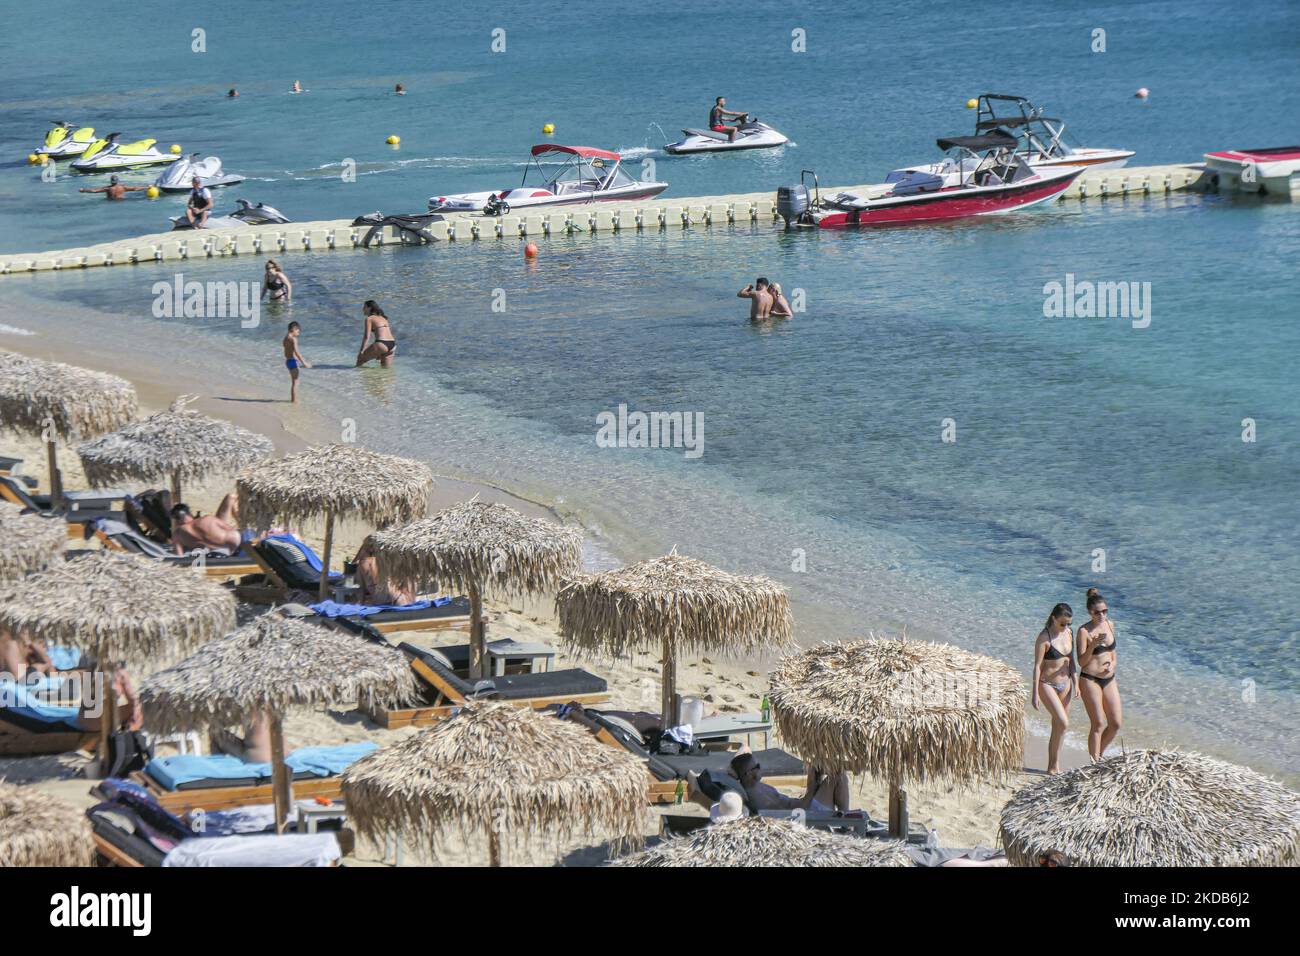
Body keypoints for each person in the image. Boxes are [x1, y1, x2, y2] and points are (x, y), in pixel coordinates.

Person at [1077, 587, 1122, 760]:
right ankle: (1093, 763)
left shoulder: (1110, 625)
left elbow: (1113, 653)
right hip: (1090, 679)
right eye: (1097, 612)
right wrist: (1093, 645)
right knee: (1097, 723)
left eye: (1105, 611)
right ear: (1090, 612)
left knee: (1115, 723)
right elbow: (1081, 662)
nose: (1101, 615)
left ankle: (1099, 756)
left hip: (1109, 678)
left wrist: (1113, 665)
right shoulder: (1084, 631)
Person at [730, 752, 851, 813]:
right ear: (748, 774)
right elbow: (791, 814)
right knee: (838, 776)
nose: (760, 767)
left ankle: (844, 817)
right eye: (757, 766)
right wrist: (811, 789)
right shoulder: (757, 796)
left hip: (803, 805)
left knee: (816, 767)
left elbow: (743, 752)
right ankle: (845, 821)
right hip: (807, 813)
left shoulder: (753, 786)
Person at [1032, 602, 1075, 774]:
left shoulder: (1069, 633)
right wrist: (1034, 693)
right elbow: (1037, 666)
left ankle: (1053, 766)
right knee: (1064, 723)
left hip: (1066, 685)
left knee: (1058, 726)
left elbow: (1071, 661)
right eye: (1063, 623)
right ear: (1053, 618)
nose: (1066, 627)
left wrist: (1076, 683)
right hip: (1047, 684)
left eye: (1069, 624)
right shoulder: (1044, 637)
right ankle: (1053, 765)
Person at [353, 534, 414, 605]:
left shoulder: (364, 562)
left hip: (381, 599)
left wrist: (360, 603)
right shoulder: (387, 560)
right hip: (397, 597)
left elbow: (361, 588)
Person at [170, 496, 242, 554]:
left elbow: (179, 556)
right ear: (189, 513)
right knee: (231, 497)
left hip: (219, 551)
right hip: (234, 539)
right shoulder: (207, 518)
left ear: (176, 520)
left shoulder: (177, 534)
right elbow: (228, 528)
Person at [356, 300, 397, 367]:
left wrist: (361, 351)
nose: (363, 309)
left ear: (369, 308)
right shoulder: (383, 318)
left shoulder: (369, 319)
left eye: (364, 307)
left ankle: (354, 375)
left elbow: (366, 337)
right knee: (385, 371)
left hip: (381, 344)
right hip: (392, 345)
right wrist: (379, 351)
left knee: (360, 360)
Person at [282, 321, 310, 403]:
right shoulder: (293, 339)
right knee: (296, 382)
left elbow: (286, 349)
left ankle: (293, 399)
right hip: (293, 361)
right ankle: (294, 401)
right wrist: (305, 363)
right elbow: (297, 352)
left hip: (287, 361)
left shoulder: (285, 338)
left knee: (294, 381)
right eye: (298, 331)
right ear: (293, 329)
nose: (298, 333)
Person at [79, 175, 150, 201]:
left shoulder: (108, 188)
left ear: (111, 181)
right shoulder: (123, 187)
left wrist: (84, 190)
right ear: (117, 181)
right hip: (122, 201)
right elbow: (135, 188)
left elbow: (94, 191)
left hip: (111, 202)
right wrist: (146, 187)